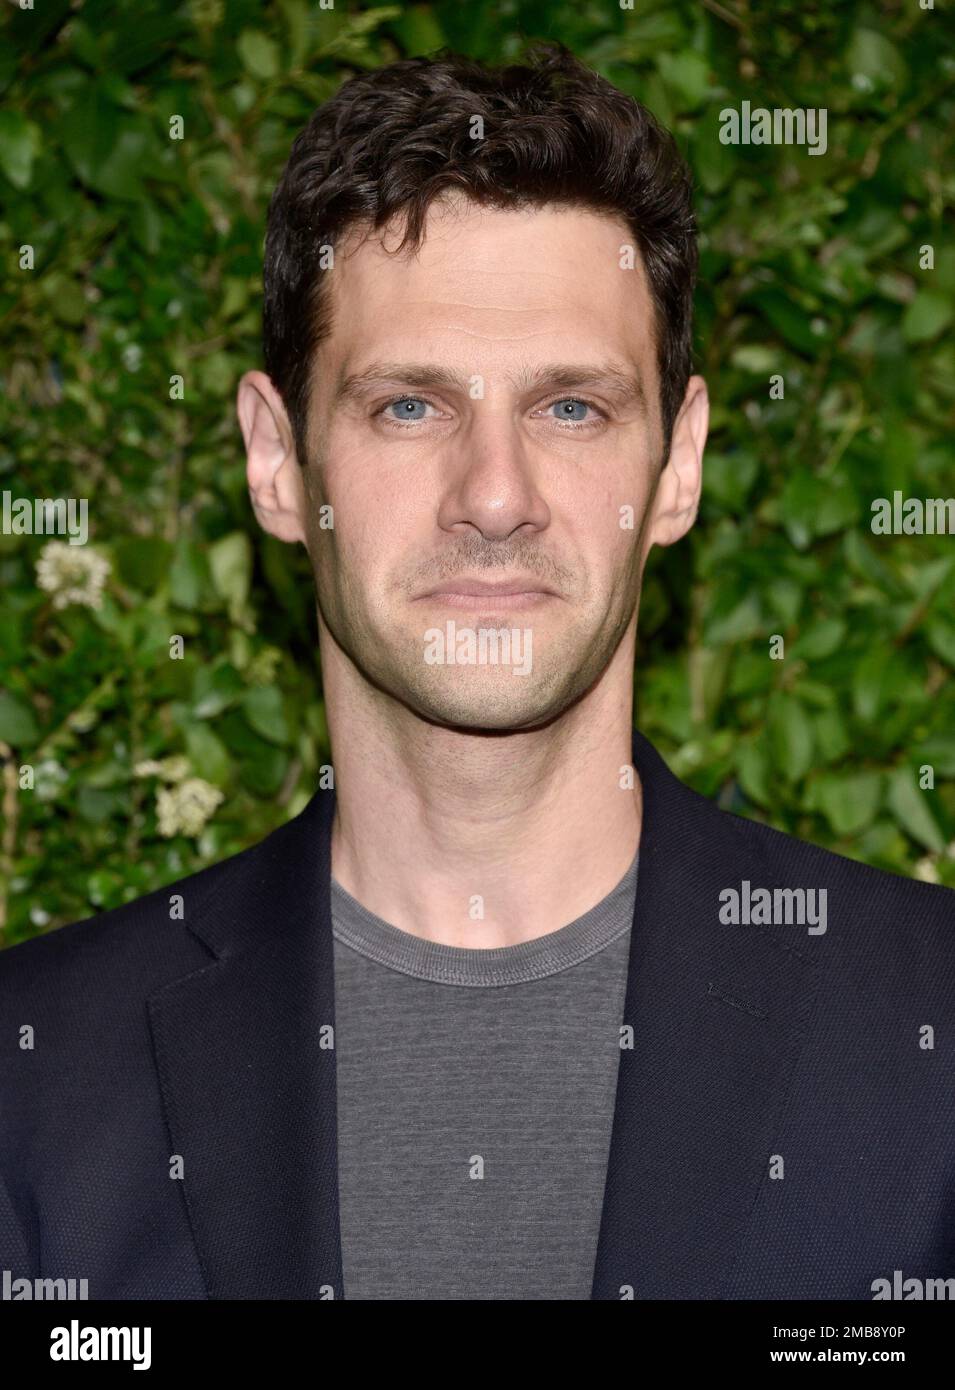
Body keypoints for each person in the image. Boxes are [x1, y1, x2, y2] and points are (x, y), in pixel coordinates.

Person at [2, 43, 953, 1303]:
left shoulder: (924, 1036)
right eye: (409, 406)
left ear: (678, 468)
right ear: (278, 464)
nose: (493, 496)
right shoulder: (38, 1074)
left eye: (571, 408)